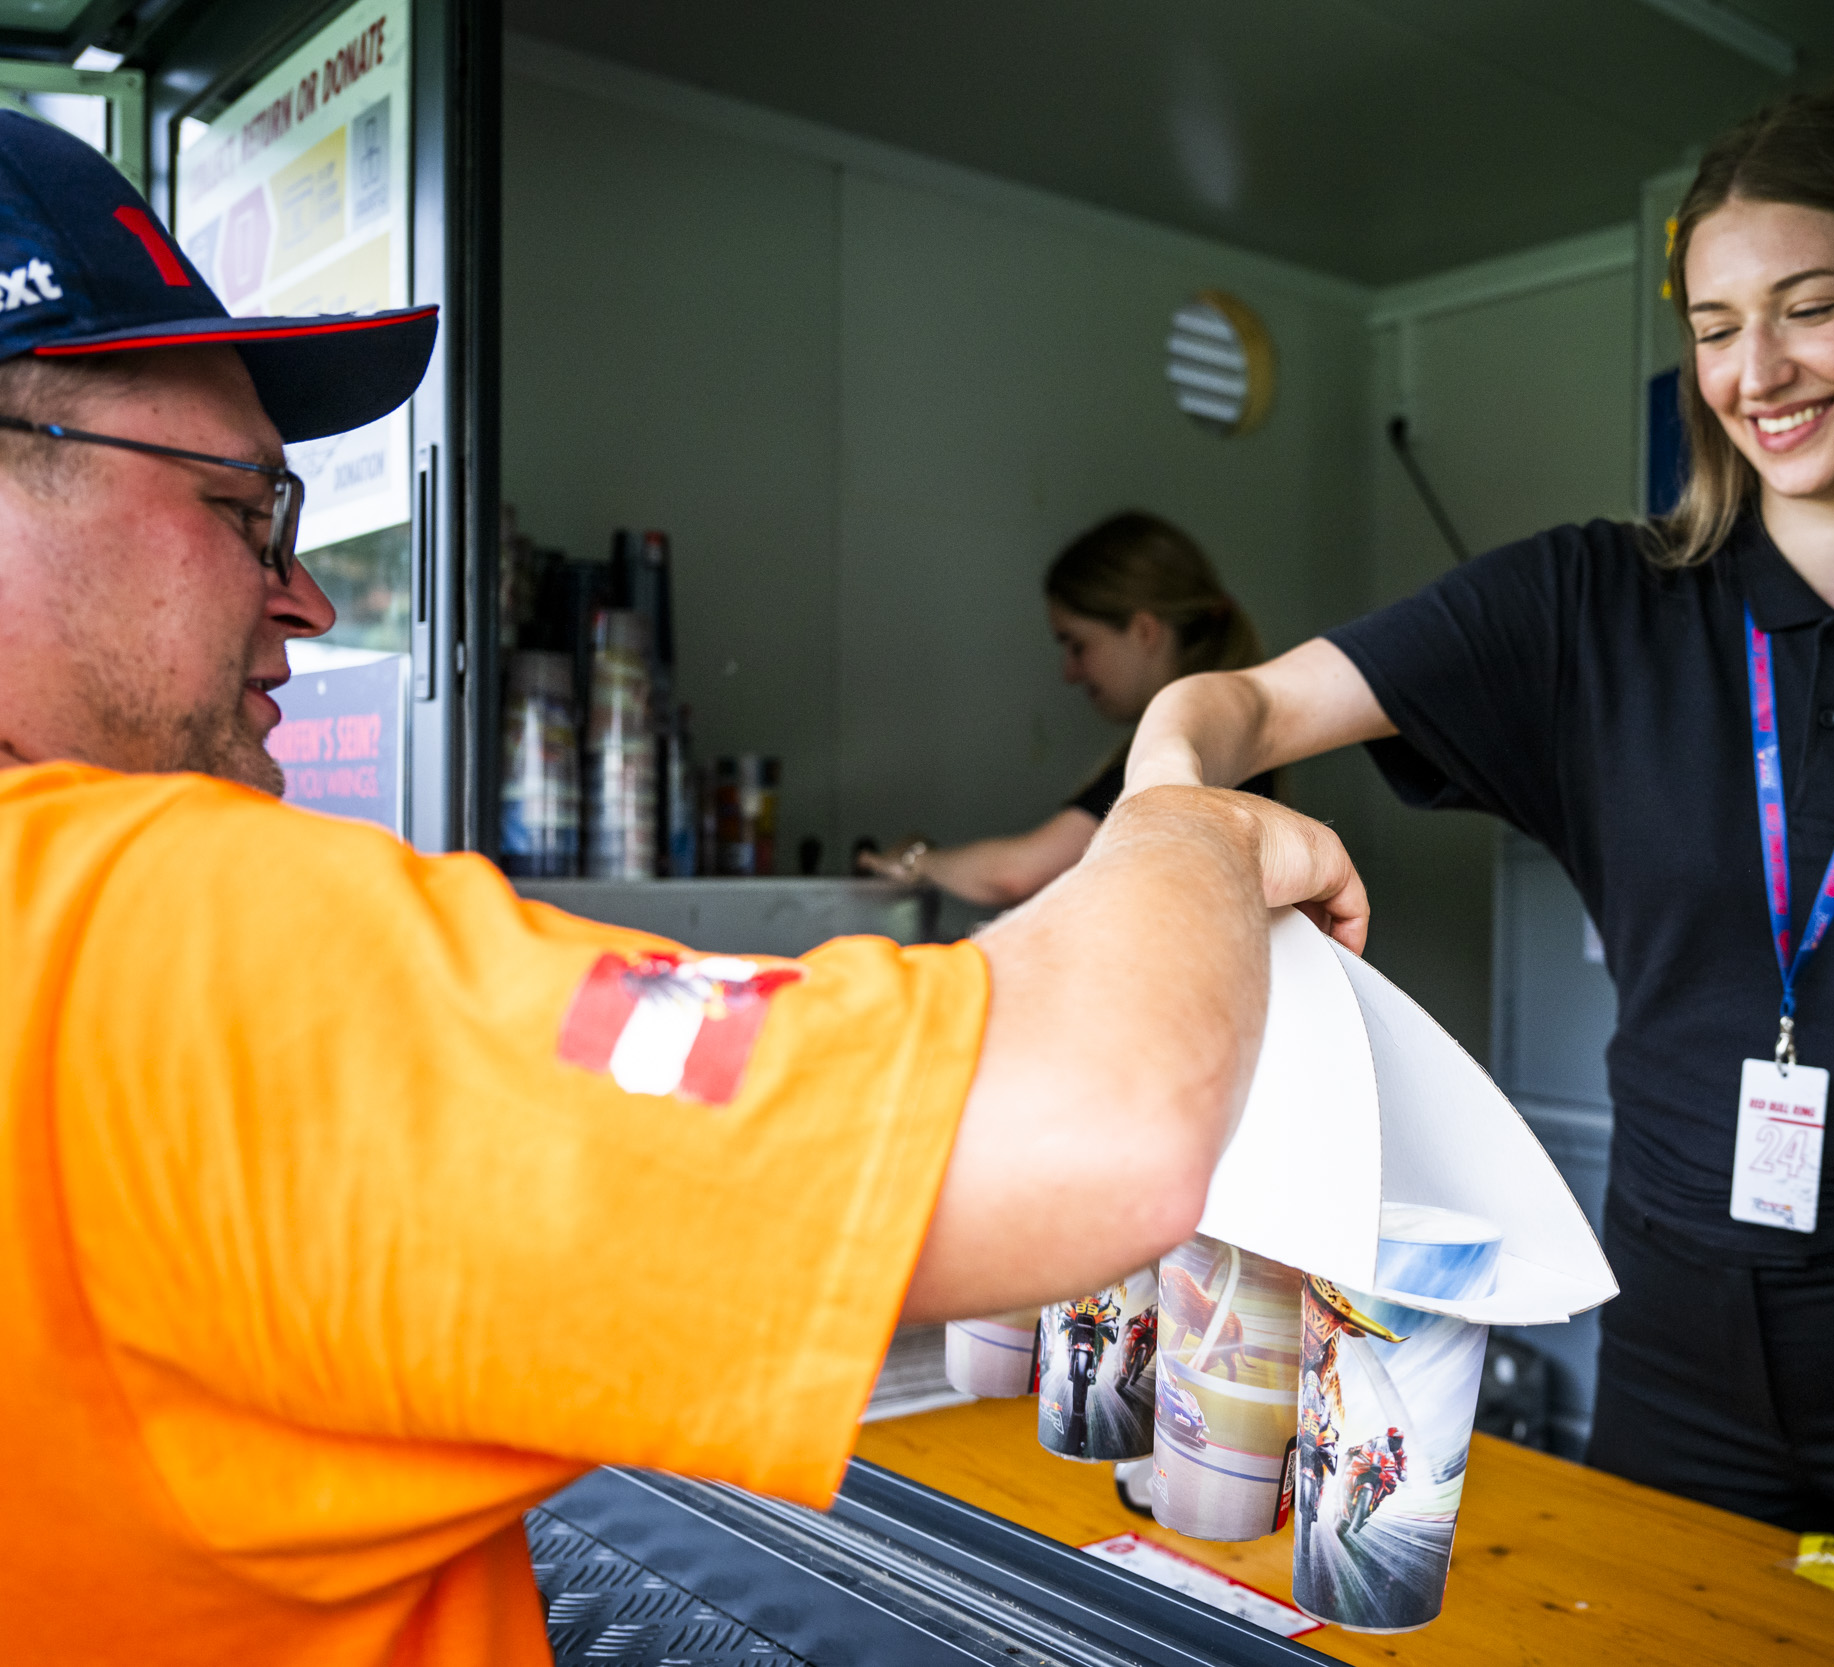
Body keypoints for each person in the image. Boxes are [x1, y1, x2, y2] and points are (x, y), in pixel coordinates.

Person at [0, 111, 1363, 1663]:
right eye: (243, 511)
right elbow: (1089, 1120)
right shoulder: (151, 939)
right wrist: (1196, 799)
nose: (303, 595)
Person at [1125, 85, 1834, 1634]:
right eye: (1712, 325)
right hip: (1680, 1348)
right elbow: (1233, 702)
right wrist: (1176, 815)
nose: (1753, 372)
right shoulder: (1592, 608)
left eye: (1808, 308)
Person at [858, 510, 1274, 904]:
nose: (1069, 673)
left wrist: (914, 862)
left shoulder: (1192, 738)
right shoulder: (1219, 725)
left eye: (1078, 645)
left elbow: (1017, 873)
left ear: (1145, 631)